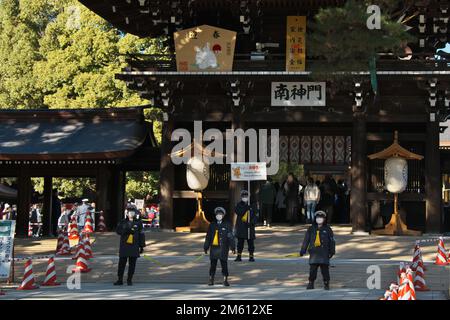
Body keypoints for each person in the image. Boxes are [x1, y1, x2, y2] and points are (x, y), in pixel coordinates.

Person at [300, 211, 336, 290]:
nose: (319, 220)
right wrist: (303, 250)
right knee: (312, 270)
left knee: (325, 270)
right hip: (314, 252)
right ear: (315, 219)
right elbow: (306, 240)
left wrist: (332, 251)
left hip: (324, 253)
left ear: (324, 219)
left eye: (321, 218)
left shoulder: (328, 229)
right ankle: (311, 283)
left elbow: (332, 241)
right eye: (318, 218)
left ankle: (326, 283)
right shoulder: (311, 229)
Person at [114, 205, 146, 286]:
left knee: (132, 264)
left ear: (135, 213)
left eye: (133, 211)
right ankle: (120, 279)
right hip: (124, 245)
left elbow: (142, 234)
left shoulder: (139, 223)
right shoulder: (122, 222)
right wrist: (125, 231)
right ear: (127, 213)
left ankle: (129, 280)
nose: (131, 213)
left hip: (134, 245)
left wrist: (141, 246)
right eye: (129, 211)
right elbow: (118, 231)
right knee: (121, 263)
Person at [203, 207, 235, 286]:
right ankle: (211, 279)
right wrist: (206, 246)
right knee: (213, 264)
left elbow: (230, 236)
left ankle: (225, 279)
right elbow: (208, 237)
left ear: (223, 215)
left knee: (224, 264)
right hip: (214, 248)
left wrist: (233, 247)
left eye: (220, 214)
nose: (219, 215)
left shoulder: (227, 224)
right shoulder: (212, 225)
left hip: (223, 248)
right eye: (217, 214)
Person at [234, 190, 257, 262]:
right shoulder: (239, 205)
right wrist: (245, 208)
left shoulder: (253, 204)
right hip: (241, 226)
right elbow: (238, 212)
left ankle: (251, 256)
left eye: (246, 196)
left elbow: (256, 214)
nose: (245, 197)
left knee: (250, 242)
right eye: (243, 196)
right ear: (241, 197)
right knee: (240, 242)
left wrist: (252, 222)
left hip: (250, 226)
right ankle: (239, 256)